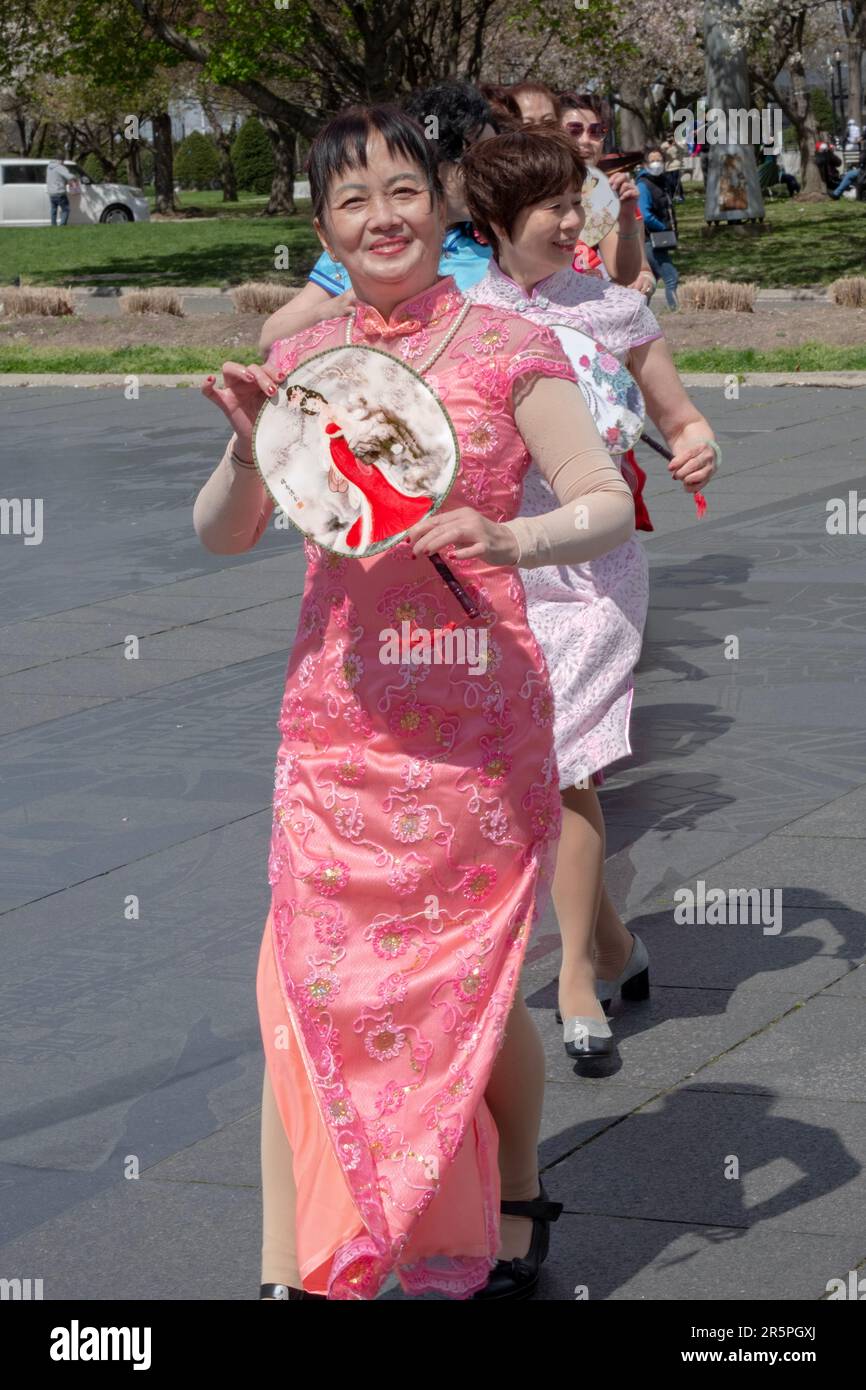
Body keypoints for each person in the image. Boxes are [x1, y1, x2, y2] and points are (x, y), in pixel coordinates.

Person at [194, 103, 636, 1300]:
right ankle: (296, 1265)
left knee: (472, 997)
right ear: (325, 229)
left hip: (474, 728)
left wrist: (511, 530)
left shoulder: (505, 347)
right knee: (297, 986)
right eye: (351, 201)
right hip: (336, 722)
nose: (380, 216)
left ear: (439, 204)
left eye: (401, 190)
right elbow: (226, 531)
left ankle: (510, 1198)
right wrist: (244, 448)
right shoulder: (304, 362)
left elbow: (600, 497)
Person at [460, 124, 719, 1059]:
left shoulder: (613, 309)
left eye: (580, 202)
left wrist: (697, 442)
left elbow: (679, 415)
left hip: (592, 566)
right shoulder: (459, 317)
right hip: (494, 567)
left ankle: (571, 976)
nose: (575, 221)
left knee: (569, 761)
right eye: (554, 207)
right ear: (493, 220)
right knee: (525, 774)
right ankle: (613, 941)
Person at [258, 81, 496, 354]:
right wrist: (330, 312)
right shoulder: (353, 252)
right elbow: (269, 338)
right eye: (479, 159)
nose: (496, 173)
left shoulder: (504, 246)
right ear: (435, 165)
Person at [558, 90, 654, 296]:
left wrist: (645, 280)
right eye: (574, 130)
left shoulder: (612, 196)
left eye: (596, 131)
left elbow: (633, 272)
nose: (586, 140)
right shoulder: (530, 192)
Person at [636, 145, 679, 310]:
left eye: (659, 160)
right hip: (650, 241)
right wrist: (663, 227)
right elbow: (645, 215)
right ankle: (676, 311)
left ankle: (640, 314)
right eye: (652, 160)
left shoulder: (661, 182)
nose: (656, 164)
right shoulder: (643, 185)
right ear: (645, 164)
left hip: (657, 241)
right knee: (671, 277)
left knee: (649, 283)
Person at [46, 157, 77, 226]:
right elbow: (69, 176)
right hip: (59, 192)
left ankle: (53, 225)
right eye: (63, 161)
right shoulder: (59, 167)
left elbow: (57, 177)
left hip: (51, 192)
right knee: (66, 209)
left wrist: (64, 181)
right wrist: (75, 177)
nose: (63, 163)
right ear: (60, 160)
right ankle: (62, 226)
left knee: (53, 210)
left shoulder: (49, 167)